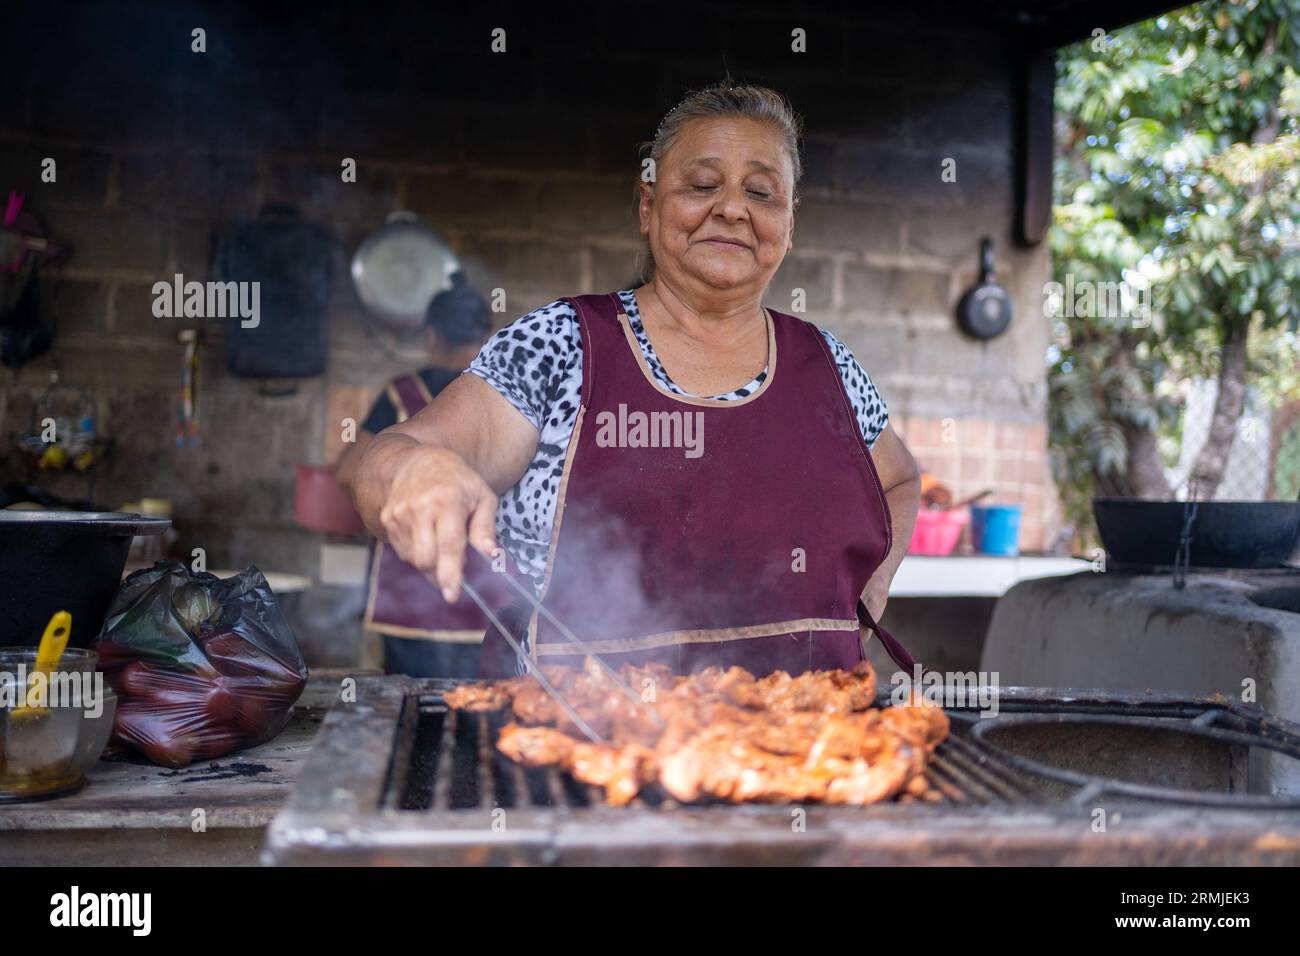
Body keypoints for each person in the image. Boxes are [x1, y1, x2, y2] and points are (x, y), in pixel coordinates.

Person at [351, 81, 922, 678]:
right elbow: (393, 456)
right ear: (648, 208)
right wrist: (410, 470)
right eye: (702, 186)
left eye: (761, 192)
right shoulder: (559, 345)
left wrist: (873, 586)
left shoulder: (829, 365)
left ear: (788, 224)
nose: (732, 208)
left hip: (811, 752)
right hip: (585, 749)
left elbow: (900, 479)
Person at [336, 271, 503, 678]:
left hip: (405, 597)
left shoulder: (401, 396)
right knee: (484, 711)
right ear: (488, 336)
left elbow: (347, 474)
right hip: (489, 597)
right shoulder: (505, 400)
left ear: (431, 335)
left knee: (407, 710)